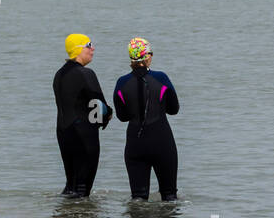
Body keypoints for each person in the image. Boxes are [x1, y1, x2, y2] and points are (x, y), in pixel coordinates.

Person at [112, 38, 180, 201]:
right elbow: (174, 109)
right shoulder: (161, 78)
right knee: (169, 195)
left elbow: (122, 117)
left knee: (138, 198)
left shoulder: (122, 82)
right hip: (162, 141)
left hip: (135, 143)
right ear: (147, 56)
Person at [53, 33, 112, 197]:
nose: (93, 49)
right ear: (78, 49)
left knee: (70, 185)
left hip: (63, 133)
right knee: (82, 189)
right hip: (84, 134)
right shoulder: (85, 73)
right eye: (89, 45)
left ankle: (66, 212)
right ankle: (81, 214)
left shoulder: (59, 74)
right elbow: (99, 106)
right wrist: (108, 115)